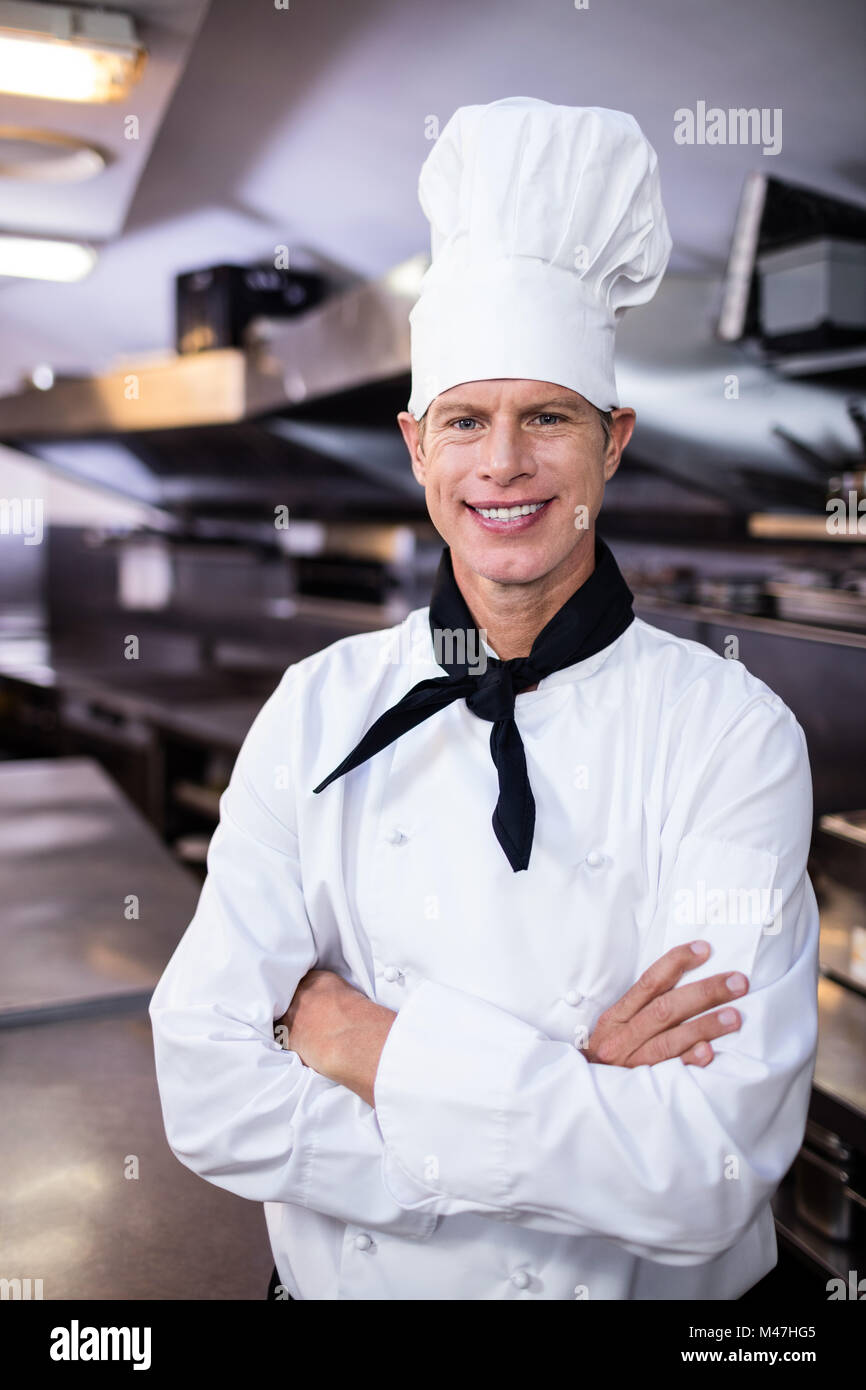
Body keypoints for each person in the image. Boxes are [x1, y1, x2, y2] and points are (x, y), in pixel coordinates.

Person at [149, 97, 819, 1301]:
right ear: (416, 449)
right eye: (465, 420)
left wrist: (357, 1043)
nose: (501, 464)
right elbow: (205, 1090)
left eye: (545, 418)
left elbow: (704, 1169)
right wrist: (571, 1091)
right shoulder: (316, 706)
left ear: (610, 441)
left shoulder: (730, 733)